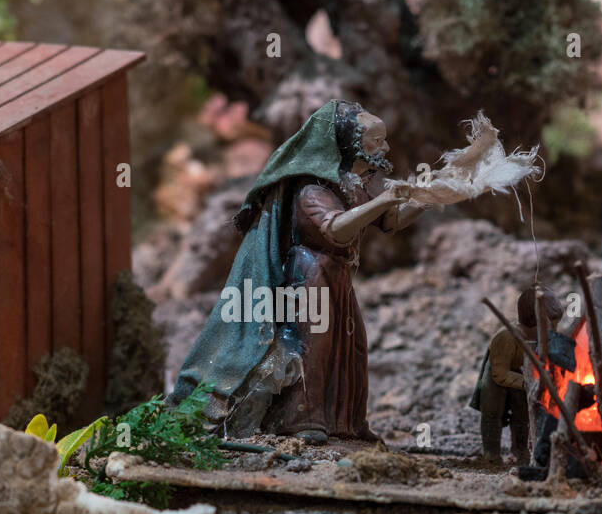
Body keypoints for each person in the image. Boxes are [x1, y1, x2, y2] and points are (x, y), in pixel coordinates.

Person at [169, 100, 427, 442]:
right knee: (313, 345)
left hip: (338, 275)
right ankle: (302, 420)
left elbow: (390, 221)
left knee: (352, 347)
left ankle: (347, 422)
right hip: (310, 276)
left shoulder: (349, 185)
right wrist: (383, 200)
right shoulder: (313, 191)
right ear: (350, 144)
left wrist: (427, 198)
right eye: (377, 141)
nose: (386, 148)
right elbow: (336, 230)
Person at [469, 288, 563, 470]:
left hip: (523, 375)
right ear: (534, 322)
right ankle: (491, 455)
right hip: (499, 376)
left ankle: (520, 453)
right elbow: (500, 373)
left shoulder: (544, 338)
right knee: (491, 412)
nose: (553, 330)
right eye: (549, 324)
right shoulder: (506, 337)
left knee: (522, 415)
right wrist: (529, 382)